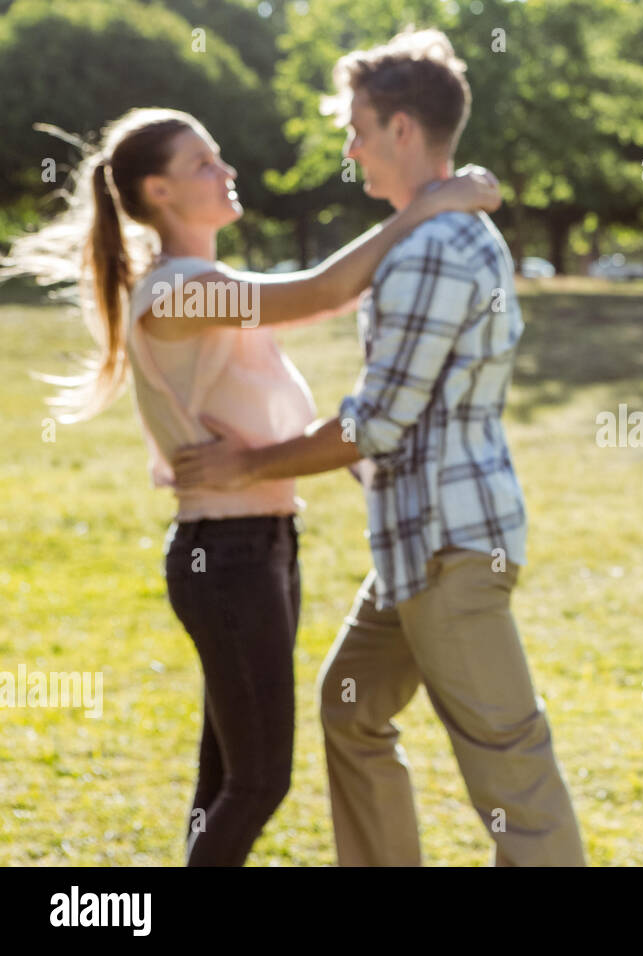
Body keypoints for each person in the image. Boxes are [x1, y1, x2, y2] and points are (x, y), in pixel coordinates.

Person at [1, 106, 501, 865]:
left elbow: (329, 298)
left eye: (219, 153)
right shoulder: (177, 294)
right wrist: (430, 201)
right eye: (204, 163)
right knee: (260, 779)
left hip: (261, 544)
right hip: (226, 554)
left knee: (226, 775)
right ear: (158, 192)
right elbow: (325, 291)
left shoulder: (207, 285)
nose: (227, 171)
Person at [171, 29, 586, 867]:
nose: (349, 146)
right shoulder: (433, 235)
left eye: (358, 127)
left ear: (403, 129)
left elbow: (378, 423)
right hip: (417, 550)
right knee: (350, 707)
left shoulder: (431, 249)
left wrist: (249, 463)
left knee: (514, 772)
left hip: (449, 550)